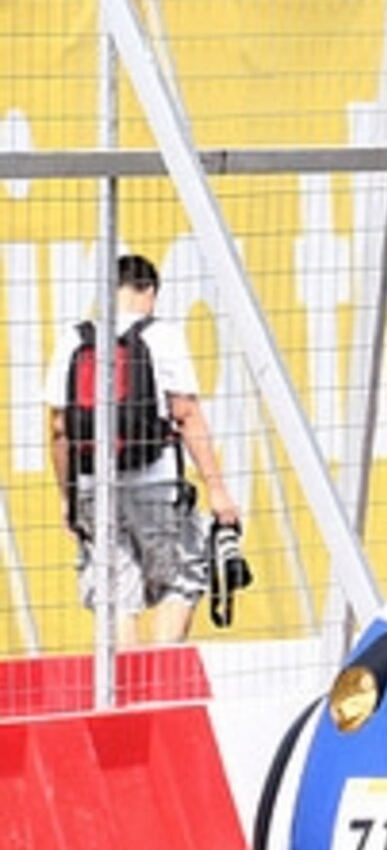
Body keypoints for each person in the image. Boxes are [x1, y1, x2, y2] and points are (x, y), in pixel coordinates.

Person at [45, 252, 242, 646]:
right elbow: (186, 414)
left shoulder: (74, 338)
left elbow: (58, 428)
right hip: (155, 482)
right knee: (181, 577)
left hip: (93, 486)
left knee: (116, 591)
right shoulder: (161, 335)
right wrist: (217, 489)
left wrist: (68, 498)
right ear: (149, 291)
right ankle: (161, 673)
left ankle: (127, 680)